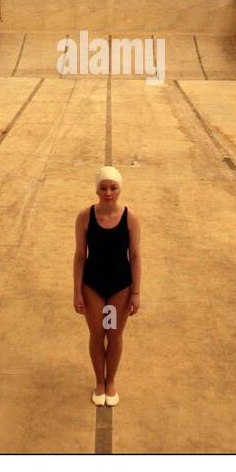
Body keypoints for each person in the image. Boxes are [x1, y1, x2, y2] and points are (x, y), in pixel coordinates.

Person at [73, 167, 141, 407]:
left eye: (113, 188)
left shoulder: (129, 218)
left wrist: (135, 292)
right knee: (97, 334)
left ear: (120, 189)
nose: (108, 193)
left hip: (119, 288)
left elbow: (135, 255)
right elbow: (80, 256)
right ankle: (98, 382)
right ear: (96, 190)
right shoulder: (85, 217)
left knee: (113, 335)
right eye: (103, 188)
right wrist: (77, 291)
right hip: (93, 287)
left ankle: (110, 381)